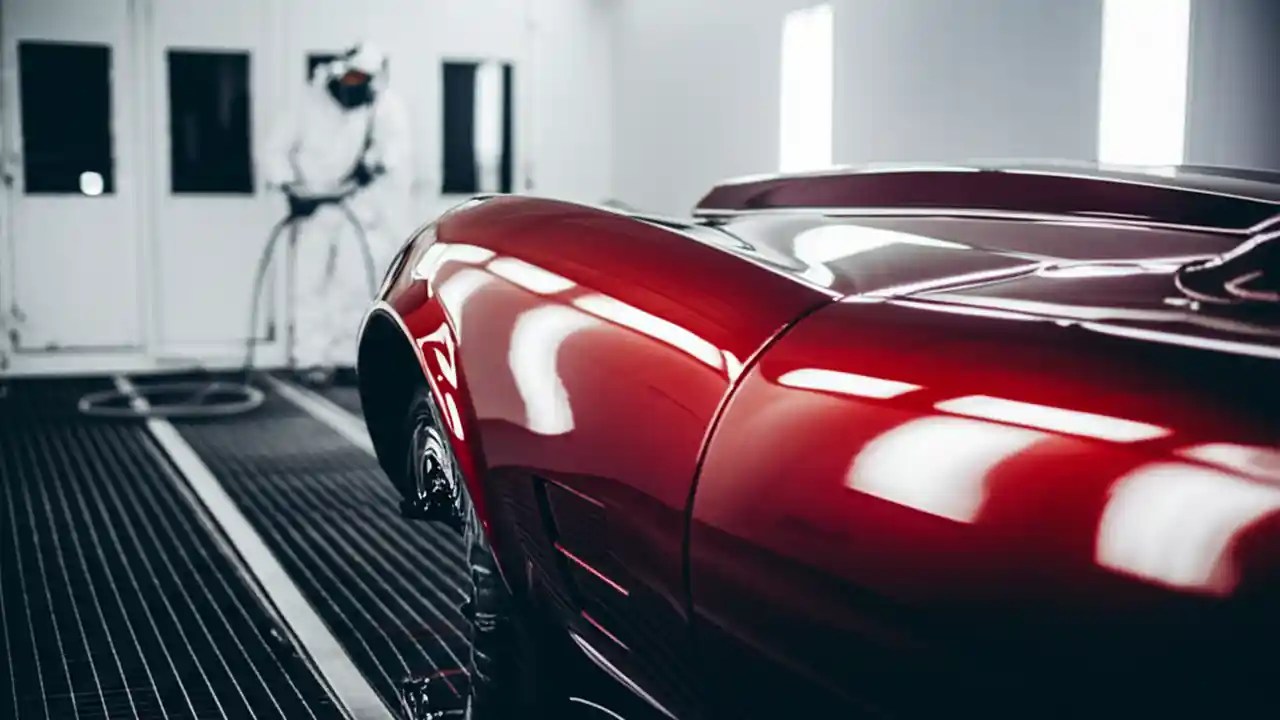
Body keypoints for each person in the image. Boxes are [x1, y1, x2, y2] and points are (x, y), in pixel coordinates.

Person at [264, 42, 412, 386]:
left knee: (354, 283)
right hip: (313, 208)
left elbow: (394, 148)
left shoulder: (380, 107)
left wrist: (369, 170)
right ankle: (310, 358)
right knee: (308, 281)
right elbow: (275, 150)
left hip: (354, 208)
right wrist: (290, 188)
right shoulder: (305, 103)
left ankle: (348, 357)